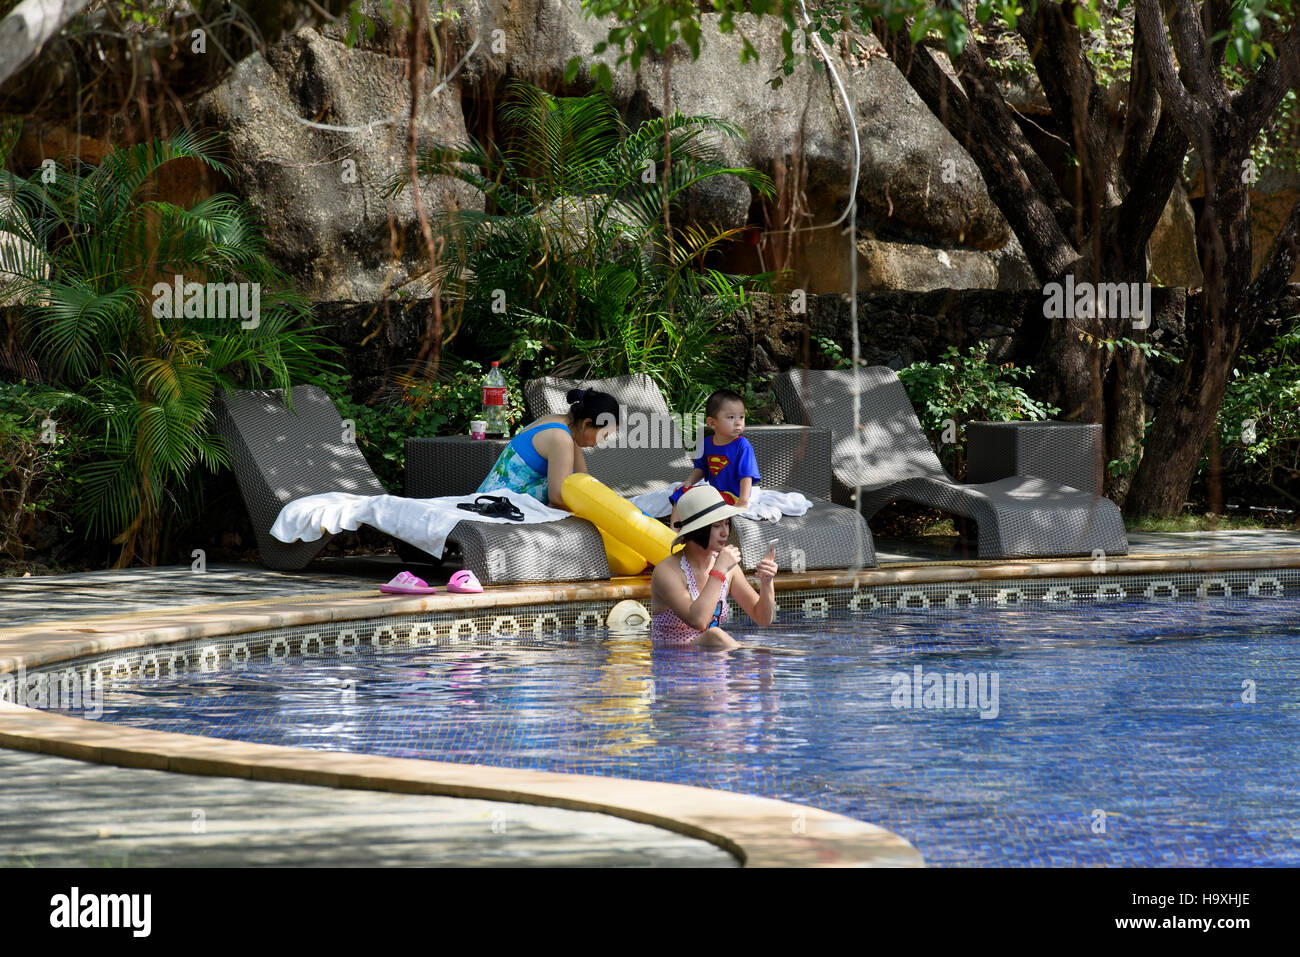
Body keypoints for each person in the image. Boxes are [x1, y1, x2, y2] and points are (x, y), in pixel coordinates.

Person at [650, 485, 777, 649]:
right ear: (697, 530)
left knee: (722, 640)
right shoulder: (667, 572)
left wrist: (767, 583)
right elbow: (699, 621)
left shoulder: (727, 567)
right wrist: (718, 571)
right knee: (715, 635)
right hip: (674, 665)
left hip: (713, 663)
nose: (725, 532)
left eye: (726, 524)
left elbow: (762, 618)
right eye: (717, 526)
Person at [476, 388, 619, 508]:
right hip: (495, 508)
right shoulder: (561, 438)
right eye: (604, 435)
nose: (602, 441)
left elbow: (584, 479)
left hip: (494, 500)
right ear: (586, 424)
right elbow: (557, 498)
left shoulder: (566, 426)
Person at [669, 389, 760, 531]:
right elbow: (700, 468)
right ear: (712, 423)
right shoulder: (706, 443)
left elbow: (746, 476)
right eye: (731, 417)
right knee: (681, 493)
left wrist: (743, 502)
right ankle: (673, 531)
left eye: (741, 417)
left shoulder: (742, 446)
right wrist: (689, 482)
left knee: (702, 503)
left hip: (732, 496)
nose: (738, 423)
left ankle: (692, 532)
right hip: (715, 492)